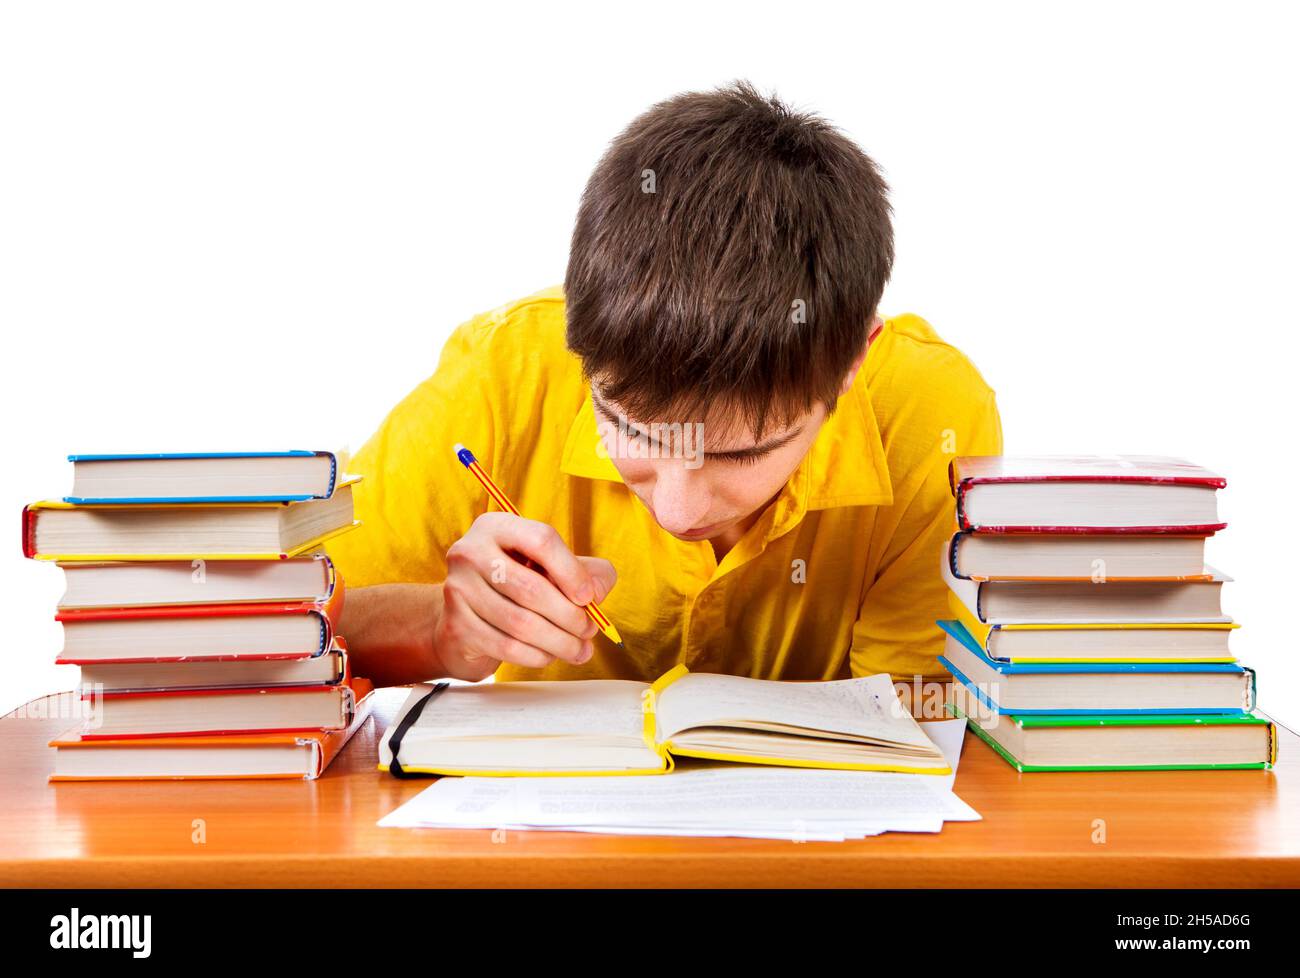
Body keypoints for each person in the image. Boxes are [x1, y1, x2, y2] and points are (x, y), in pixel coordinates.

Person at [327, 81, 1001, 710]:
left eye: (739, 455)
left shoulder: (928, 415)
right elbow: (269, 632)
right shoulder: (508, 371)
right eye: (633, 430)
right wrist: (441, 631)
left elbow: (911, 725)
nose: (678, 511)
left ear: (852, 361)